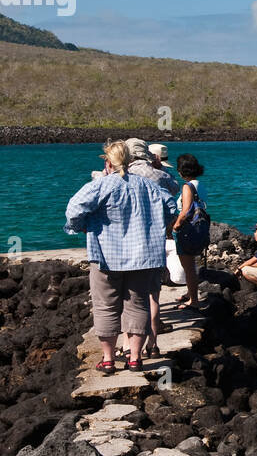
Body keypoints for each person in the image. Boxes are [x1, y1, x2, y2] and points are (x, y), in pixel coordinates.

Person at [65, 140, 177, 375]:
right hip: (143, 257)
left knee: (106, 307)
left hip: (106, 255)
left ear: (108, 162)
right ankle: (135, 359)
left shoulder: (101, 185)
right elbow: (171, 208)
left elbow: (73, 209)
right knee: (138, 305)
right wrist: (158, 226)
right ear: (130, 160)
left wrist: (82, 226)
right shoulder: (149, 185)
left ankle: (108, 360)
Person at [123, 138, 181, 355]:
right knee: (153, 296)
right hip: (153, 241)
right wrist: (155, 168)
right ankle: (153, 345)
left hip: (127, 243)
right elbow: (174, 190)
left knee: (128, 297)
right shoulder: (159, 175)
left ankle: (128, 347)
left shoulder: (119, 175)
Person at [171, 154, 208, 310]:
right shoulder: (200, 185)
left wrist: (176, 225)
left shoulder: (187, 186)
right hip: (198, 229)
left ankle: (193, 300)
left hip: (186, 230)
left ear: (181, 171)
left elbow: (185, 210)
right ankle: (190, 292)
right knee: (190, 264)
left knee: (188, 266)